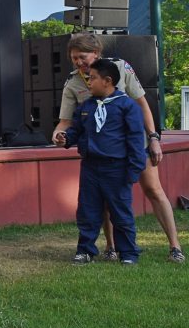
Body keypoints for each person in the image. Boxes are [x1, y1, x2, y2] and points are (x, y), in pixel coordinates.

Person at [51, 33, 184, 263]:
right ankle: (111, 248)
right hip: (103, 152)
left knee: (152, 189)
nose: (78, 62)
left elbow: (141, 103)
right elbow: (66, 121)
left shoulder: (120, 68)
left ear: (96, 53)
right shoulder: (72, 83)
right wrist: (58, 135)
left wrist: (153, 138)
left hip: (133, 144)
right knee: (100, 199)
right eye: (74, 59)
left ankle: (175, 246)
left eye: (82, 57)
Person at [54, 59, 147, 264]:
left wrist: (133, 171)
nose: (89, 82)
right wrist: (66, 138)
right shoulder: (86, 106)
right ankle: (85, 250)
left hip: (117, 168)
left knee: (121, 212)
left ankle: (128, 253)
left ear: (108, 81)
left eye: (93, 78)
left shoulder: (127, 106)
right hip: (90, 167)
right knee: (88, 210)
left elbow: (135, 140)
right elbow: (76, 130)